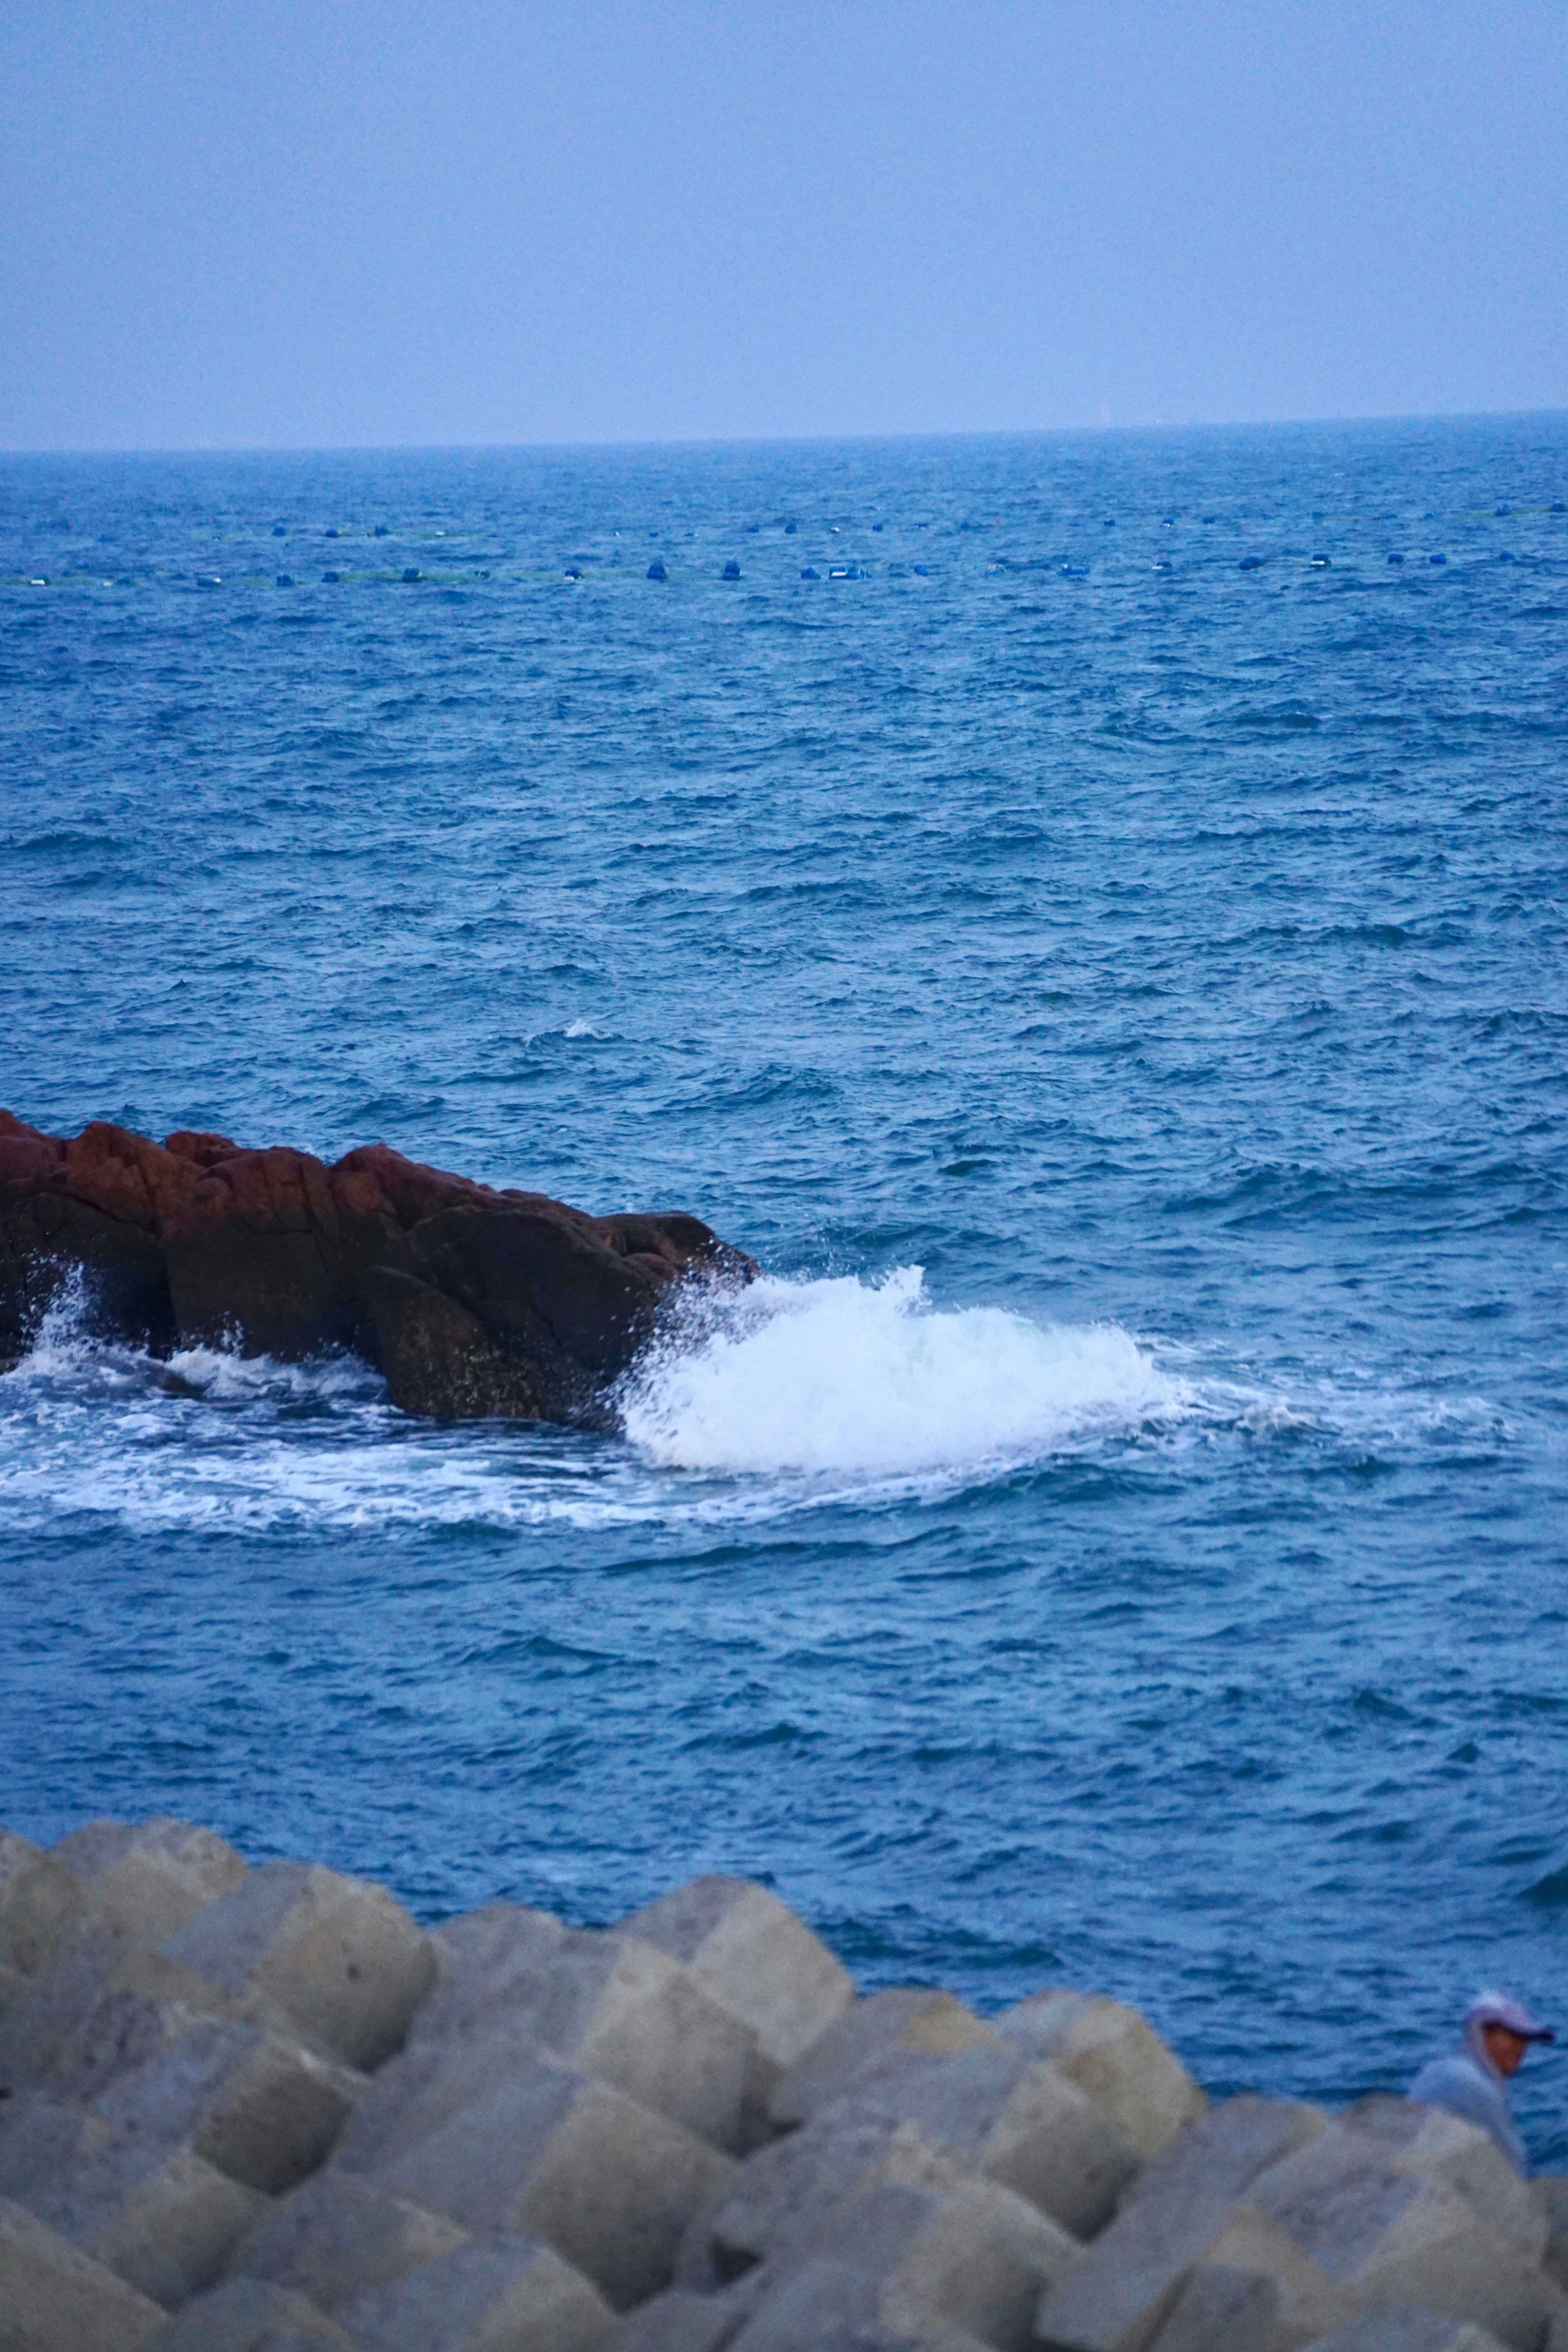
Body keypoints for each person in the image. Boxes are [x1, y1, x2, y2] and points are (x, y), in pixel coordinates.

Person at [1407, 1991, 1554, 2176]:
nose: (1522, 2047)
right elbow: (1518, 2169)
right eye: (1513, 2035)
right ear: (1482, 2032)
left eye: (1525, 2039)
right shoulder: (1472, 2085)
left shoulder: (1435, 2070)